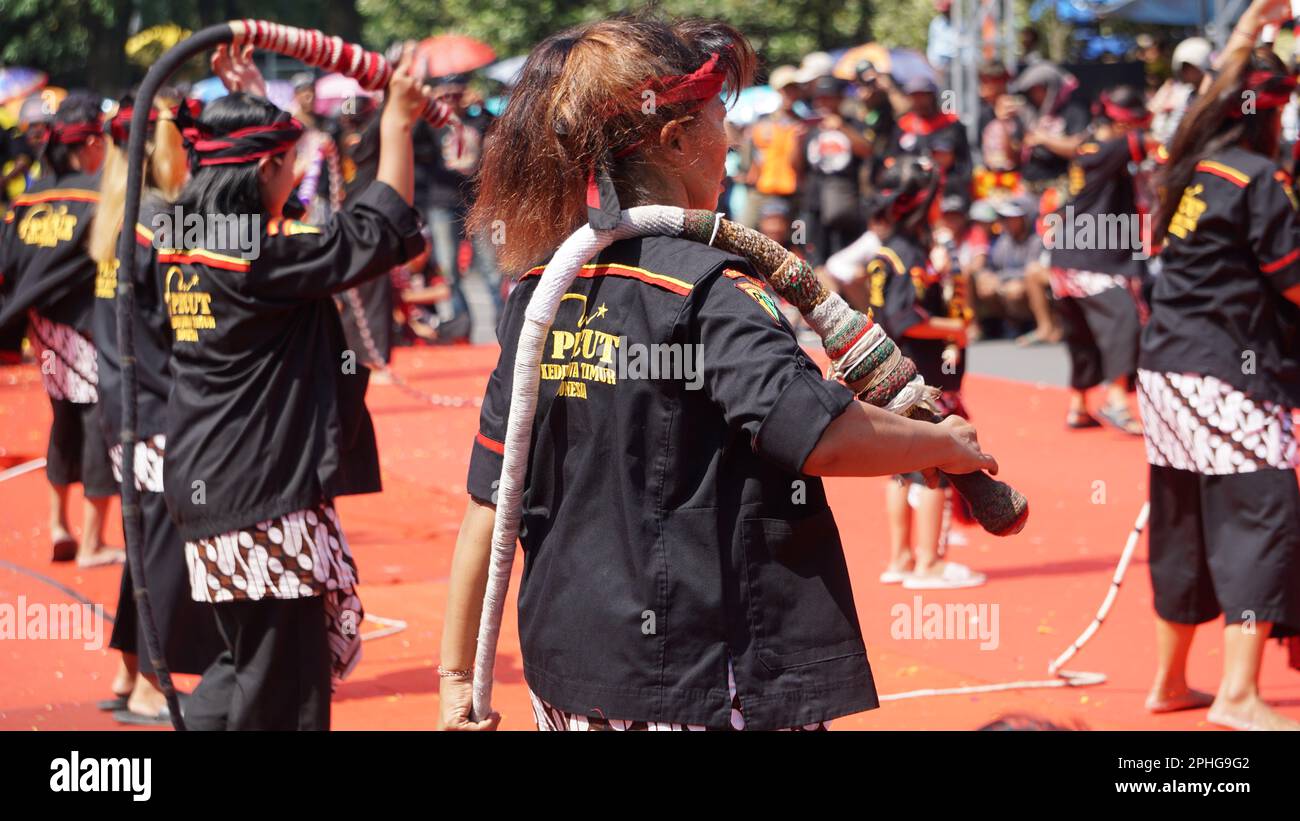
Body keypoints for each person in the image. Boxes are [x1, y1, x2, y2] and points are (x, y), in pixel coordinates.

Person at [439, 15, 997, 732]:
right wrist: (944, 445)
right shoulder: (711, 286)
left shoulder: (543, 289)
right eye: (717, 119)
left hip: (572, 671)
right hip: (697, 675)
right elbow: (816, 433)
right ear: (674, 141)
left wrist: (455, 678)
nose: (730, 143)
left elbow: (489, 500)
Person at [164, 48, 428, 731]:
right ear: (263, 172)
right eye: (289, 165)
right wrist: (397, 125)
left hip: (214, 484)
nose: (296, 175)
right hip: (258, 496)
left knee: (246, 664)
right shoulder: (256, 259)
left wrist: (257, 107)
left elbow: (246, 186)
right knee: (282, 690)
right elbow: (375, 232)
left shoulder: (184, 238)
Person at [1139, 0, 1300, 732]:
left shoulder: (1189, 163)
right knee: (1263, 513)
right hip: (1223, 374)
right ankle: (1238, 692)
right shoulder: (1260, 180)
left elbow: (1209, 98)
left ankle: (1171, 679)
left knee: (1184, 520)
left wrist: (1245, 32)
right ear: (1273, 116)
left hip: (1166, 366)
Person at [0, 91, 121, 567]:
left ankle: (57, 524)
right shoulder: (98, 197)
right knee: (99, 426)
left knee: (62, 422)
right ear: (91, 141)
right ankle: (91, 541)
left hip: (41, 332)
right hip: (89, 332)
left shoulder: (28, 200)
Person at [864, 158, 981, 589]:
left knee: (902, 469)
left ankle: (902, 558)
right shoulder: (907, 255)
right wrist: (955, 327)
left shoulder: (888, 251)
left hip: (896, 376)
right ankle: (929, 564)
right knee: (937, 465)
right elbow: (905, 317)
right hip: (922, 378)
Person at [1047, 86, 1149, 434]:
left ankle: (1078, 406)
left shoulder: (1092, 148)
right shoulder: (1112, 149)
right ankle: (1117, 399)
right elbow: (1154, 144)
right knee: (1126, 319)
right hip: (1091, 258)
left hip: (1066, 258)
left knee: (1083, 334)